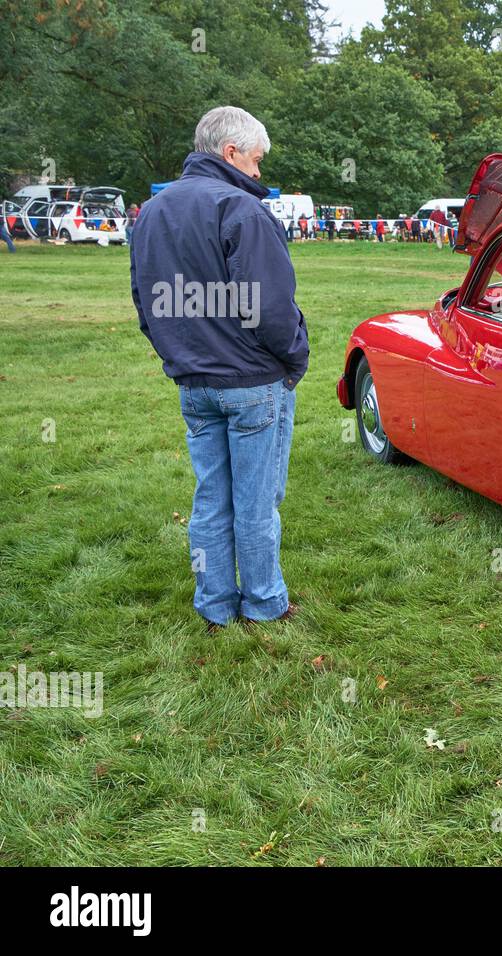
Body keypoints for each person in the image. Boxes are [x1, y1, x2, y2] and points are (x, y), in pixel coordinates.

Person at [130, 105, 308, 631]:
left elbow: (147, 301)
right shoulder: (241, 210)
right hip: (250, 382)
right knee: (255, 502)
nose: (259, 174)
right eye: (256, 161)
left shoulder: (153, 212)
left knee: (212, 499)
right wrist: (294, 358)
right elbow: (272, 307)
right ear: (231, 153)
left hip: (197, 383)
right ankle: (263, 602)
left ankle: (215, 604)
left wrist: (177, 353)